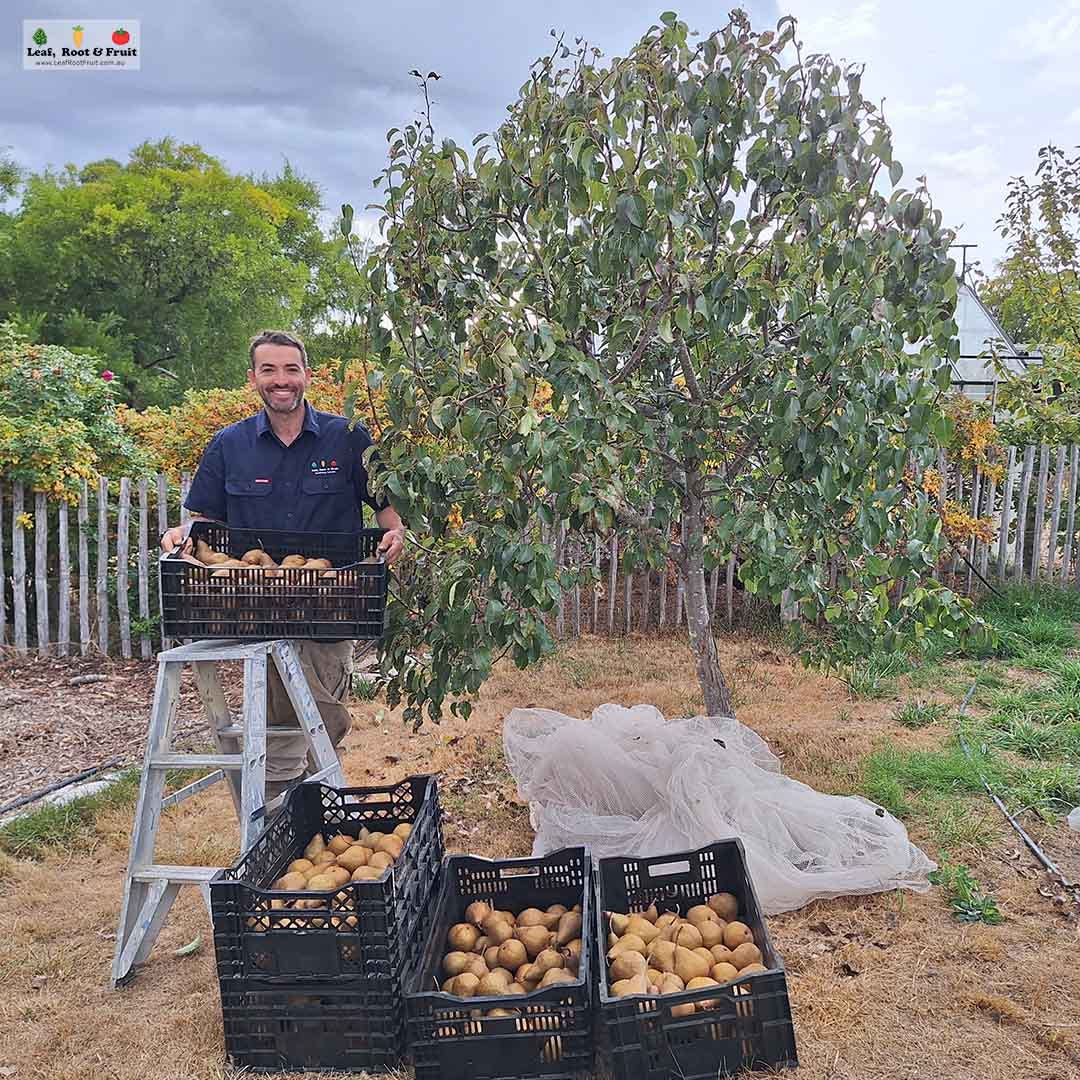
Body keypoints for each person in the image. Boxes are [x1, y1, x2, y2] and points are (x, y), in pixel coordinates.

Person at [159, 329, 405, 802]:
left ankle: (315, 809)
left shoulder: (348, 439)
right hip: (255, 608)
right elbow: (202, 526)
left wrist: (396, 535)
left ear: (307, 376)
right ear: (253, 378)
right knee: (278, 733)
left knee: (322, 720)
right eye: (269, 370)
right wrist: (183, 537)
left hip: (330, 607)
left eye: (291, 369)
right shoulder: (229, 445)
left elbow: (387, 511)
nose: (281, 380)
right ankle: (279, 818)